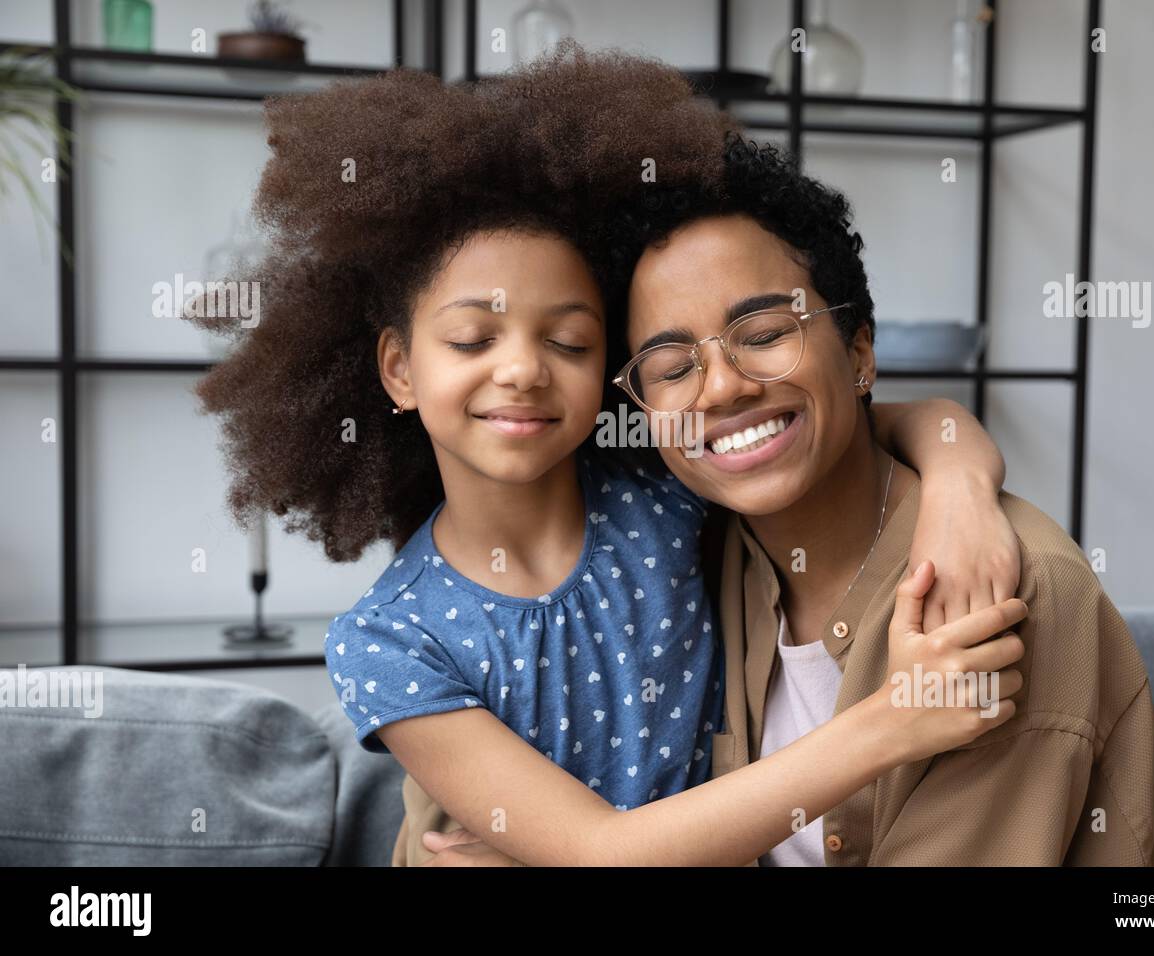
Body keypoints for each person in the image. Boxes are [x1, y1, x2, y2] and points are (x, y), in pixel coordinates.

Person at [187, 45, 1031, 867]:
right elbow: (603, 851)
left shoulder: (663, 491)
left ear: (612, 373)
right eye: (474, 337)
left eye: (569, 340)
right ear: (400, 370)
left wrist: (959, 487)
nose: (521, 369)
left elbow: (862, 416)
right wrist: (893, 721)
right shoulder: (390, 641)